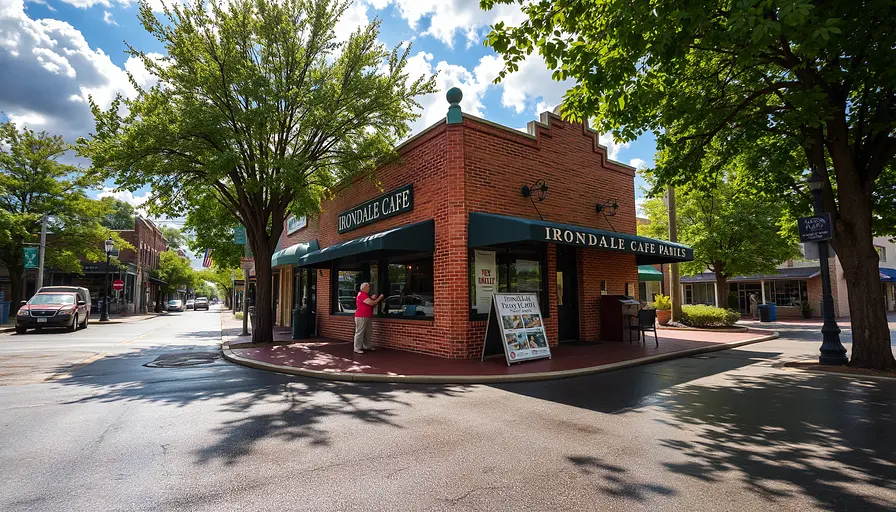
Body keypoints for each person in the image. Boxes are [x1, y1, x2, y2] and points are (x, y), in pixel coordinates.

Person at [354, 282, 383, 354]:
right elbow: (372, 303)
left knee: (368, 332)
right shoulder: (362, 295)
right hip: (361, 316)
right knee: (360, 332)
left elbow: (369, 301)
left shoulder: (365, 295)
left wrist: (371, 298)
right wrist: (379, 298)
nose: (369, 288)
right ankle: (357, 348)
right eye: (368, 287)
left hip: (367, 315)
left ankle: (367, 346)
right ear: (364, 288)